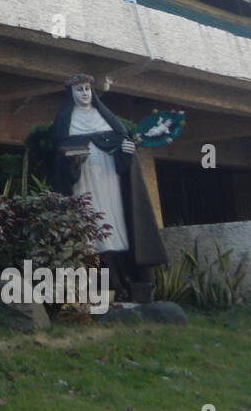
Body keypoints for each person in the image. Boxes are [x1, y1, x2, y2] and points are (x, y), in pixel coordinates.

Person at [49, 74, 166, 301]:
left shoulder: (108, 120)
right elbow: (59, 156)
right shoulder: (65, 122)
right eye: (79, 89)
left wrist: (127, 150)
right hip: (84, 182)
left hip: (109, 179)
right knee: (89, 228)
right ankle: (101, 287)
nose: (84, 93)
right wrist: (71, 161)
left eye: (87, 89)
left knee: (115, 224)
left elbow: (123, 151)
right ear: (71, 93)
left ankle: (128, 283)